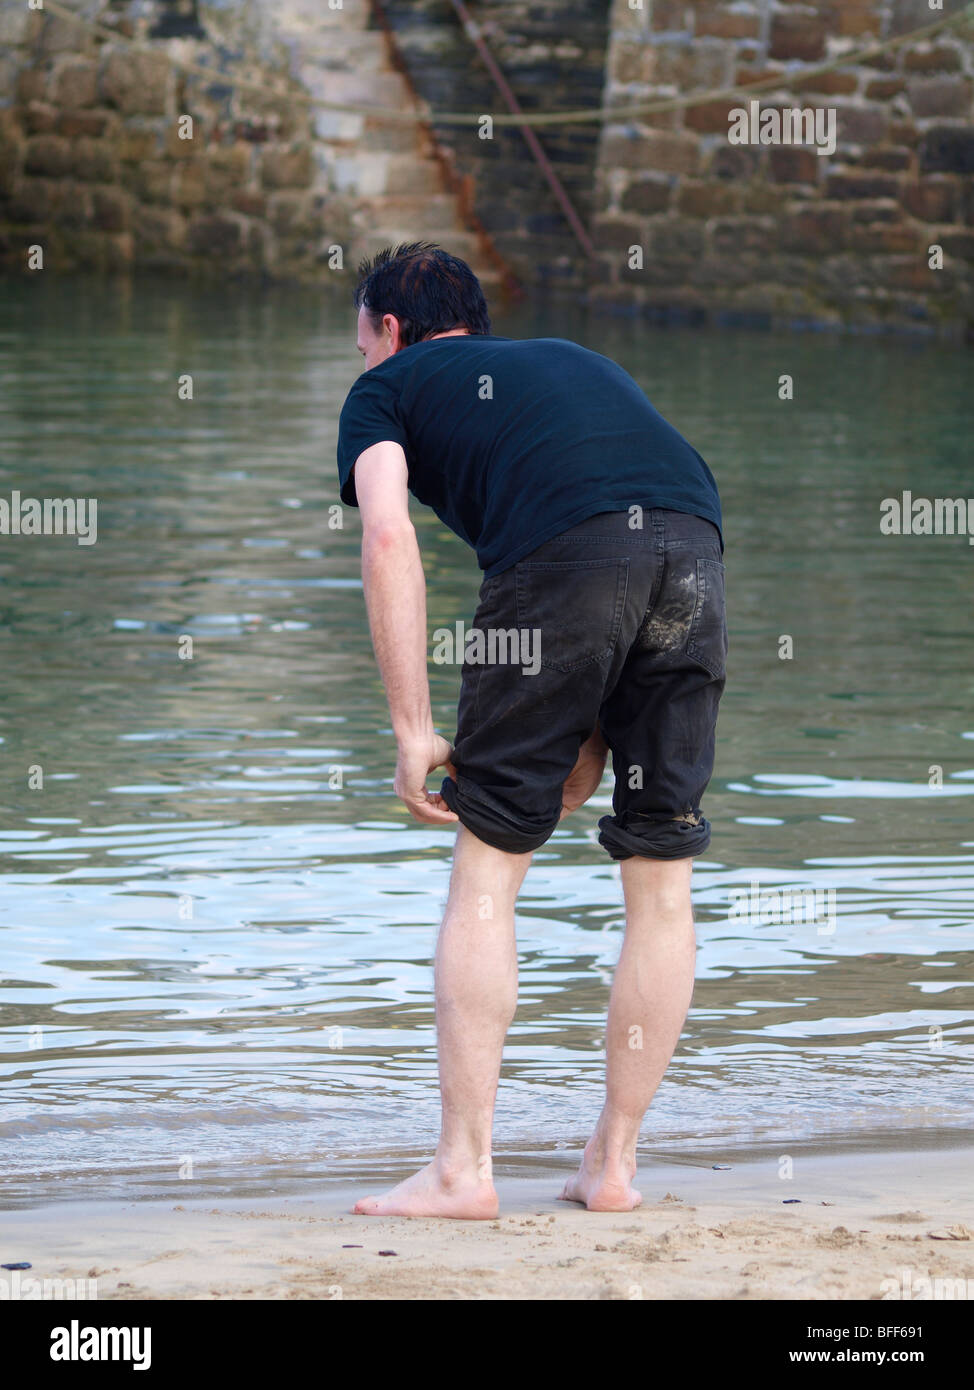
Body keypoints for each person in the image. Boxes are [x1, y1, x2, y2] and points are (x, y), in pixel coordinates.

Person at [336, 242, 727, 1217]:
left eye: (361, 345)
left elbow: (386, 534)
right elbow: (628, 538)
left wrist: (412, 728)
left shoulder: (385, 390)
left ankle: (463, 1170)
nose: (363, 363)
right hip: (695, 545)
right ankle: (613, 1165)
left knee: (486, 867)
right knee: (660, 878)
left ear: (389, 331)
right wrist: (589, 734)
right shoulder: (575, 363)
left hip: (564, 556)